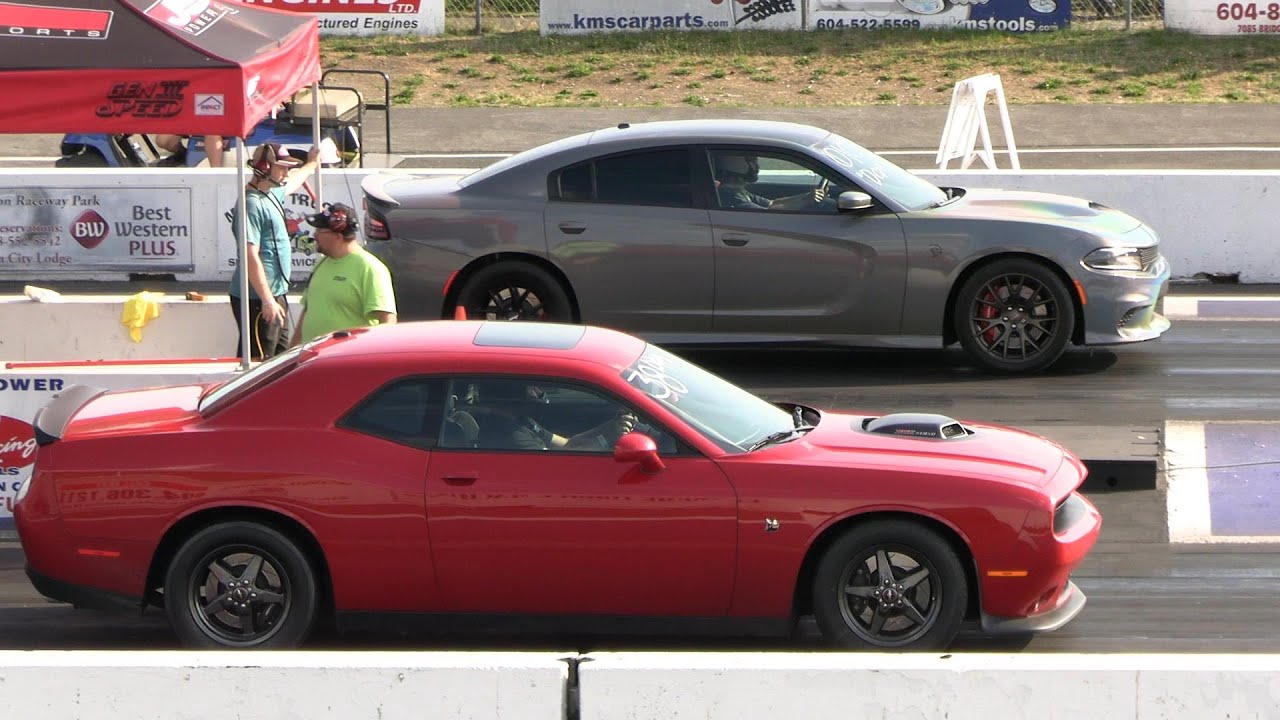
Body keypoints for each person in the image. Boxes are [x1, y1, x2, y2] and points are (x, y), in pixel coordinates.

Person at [228, 142, 320, 360]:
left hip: (274, 293)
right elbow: (251, 255)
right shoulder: (251, 205)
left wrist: (312, 164)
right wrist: (268, 300)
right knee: (260, 361)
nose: (287, 173)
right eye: (282, 168)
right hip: (258, 298)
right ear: (264, 168)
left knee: (278, 358)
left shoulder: (269, 193)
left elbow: (293, 182)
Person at [292, 202, 397, 345]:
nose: (314, 235)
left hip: (347, 360)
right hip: (312, 361)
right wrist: (291, 352)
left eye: (320, 231)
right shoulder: (321, 264)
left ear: (338, 236)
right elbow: (307, 312)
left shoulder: (370, 268)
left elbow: (387, 322)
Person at [463, 380, 638, 451]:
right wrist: (609, 438)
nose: (537, 392)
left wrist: (612, 425)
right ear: (511, 395)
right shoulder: (510, 435)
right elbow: (567, 459)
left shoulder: (521, 422)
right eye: (530, 388)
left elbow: (568, 443)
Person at [714, 153, 828, 210]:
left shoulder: (738, 191)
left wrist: (807, 196)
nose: (756, 166)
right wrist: (806, 201)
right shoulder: (729, 194)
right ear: (734, 164)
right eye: (752, 161)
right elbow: (767, 213)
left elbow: (772, 203)